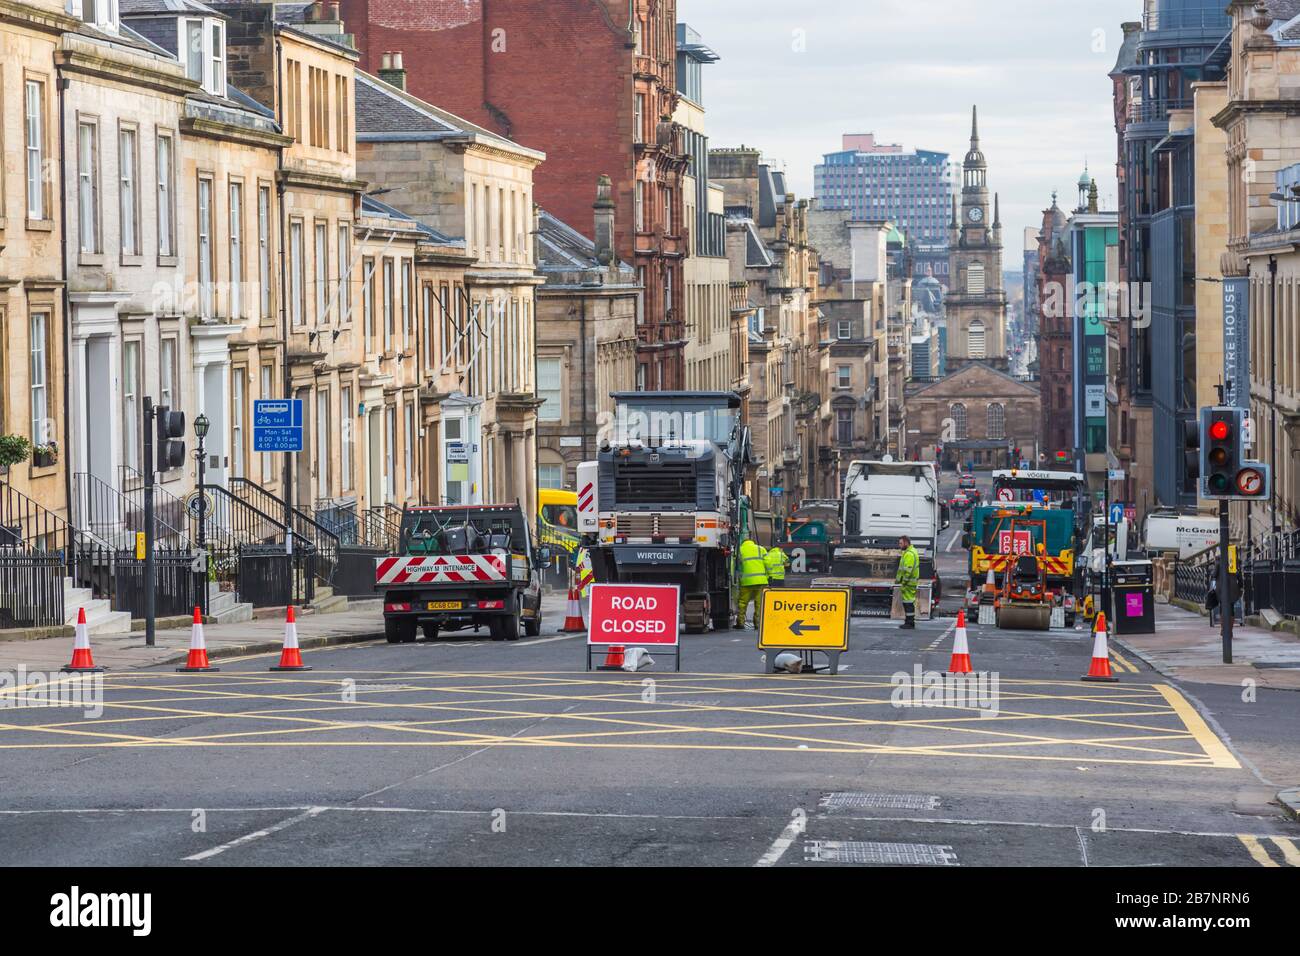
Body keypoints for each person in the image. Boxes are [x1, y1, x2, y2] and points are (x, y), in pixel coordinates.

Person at [736, 536, 769, 629]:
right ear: (752, 542)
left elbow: (736, 565)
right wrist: (768, 576)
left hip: (746, 581)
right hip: (761, 581)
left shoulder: (740, 550)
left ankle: (740, 622)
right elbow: (768, 563)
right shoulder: (761, 549)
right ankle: (757, 624)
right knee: (759, 603)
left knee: (742, 603)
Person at [896, 534, 920, 629]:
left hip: (908, 584)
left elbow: (907, 571)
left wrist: (904, 582)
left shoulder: (909, 554)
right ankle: (909, 621)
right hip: (909, 583)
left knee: (908, 603)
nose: (899, 545)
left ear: (906, 543)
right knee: (908, 602)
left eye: (901, 543)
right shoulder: (909, 552)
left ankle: (909, 623)